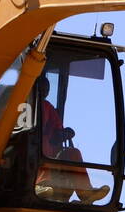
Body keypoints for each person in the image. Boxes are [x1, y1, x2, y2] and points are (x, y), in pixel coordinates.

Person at [32, 74, 109, 204]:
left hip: (48, 152)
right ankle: (40, 184)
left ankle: (85, 192)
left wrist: (65, 133)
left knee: (73, 153)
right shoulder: (24, 105)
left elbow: (57, 130)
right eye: (42, 88)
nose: (45, 91)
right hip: (30, 152)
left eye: (47, 89)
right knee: (41, 143)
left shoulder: (48, 107)